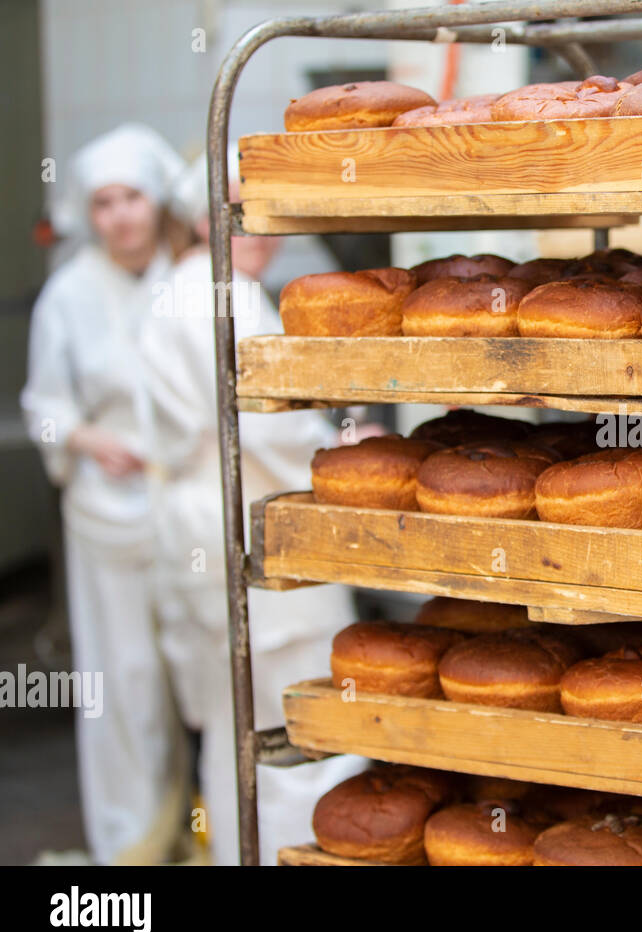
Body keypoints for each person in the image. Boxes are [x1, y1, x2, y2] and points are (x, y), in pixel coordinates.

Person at [141, 150, 368, 865]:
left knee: (231, 728)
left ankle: (237, 855)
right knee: (304, 725)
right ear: (207, 216)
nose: (261, 228)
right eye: (243, 209)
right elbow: (271, 427)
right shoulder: (228, 295)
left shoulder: (173, 292)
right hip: (250, 528)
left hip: (193, 531)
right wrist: (350, 445)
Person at [21, 124, 190, 864]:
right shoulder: (68, 294)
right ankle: (130, 846)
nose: (120, 216)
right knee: (121, 682)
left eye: (131, 199)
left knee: (196, 673)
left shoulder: (185, 278)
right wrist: (90, 441)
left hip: (185, 512)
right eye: (103, 203)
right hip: (105, 515)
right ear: (87, 214)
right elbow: (44, 405)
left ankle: (200, 829)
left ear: (155, 202)